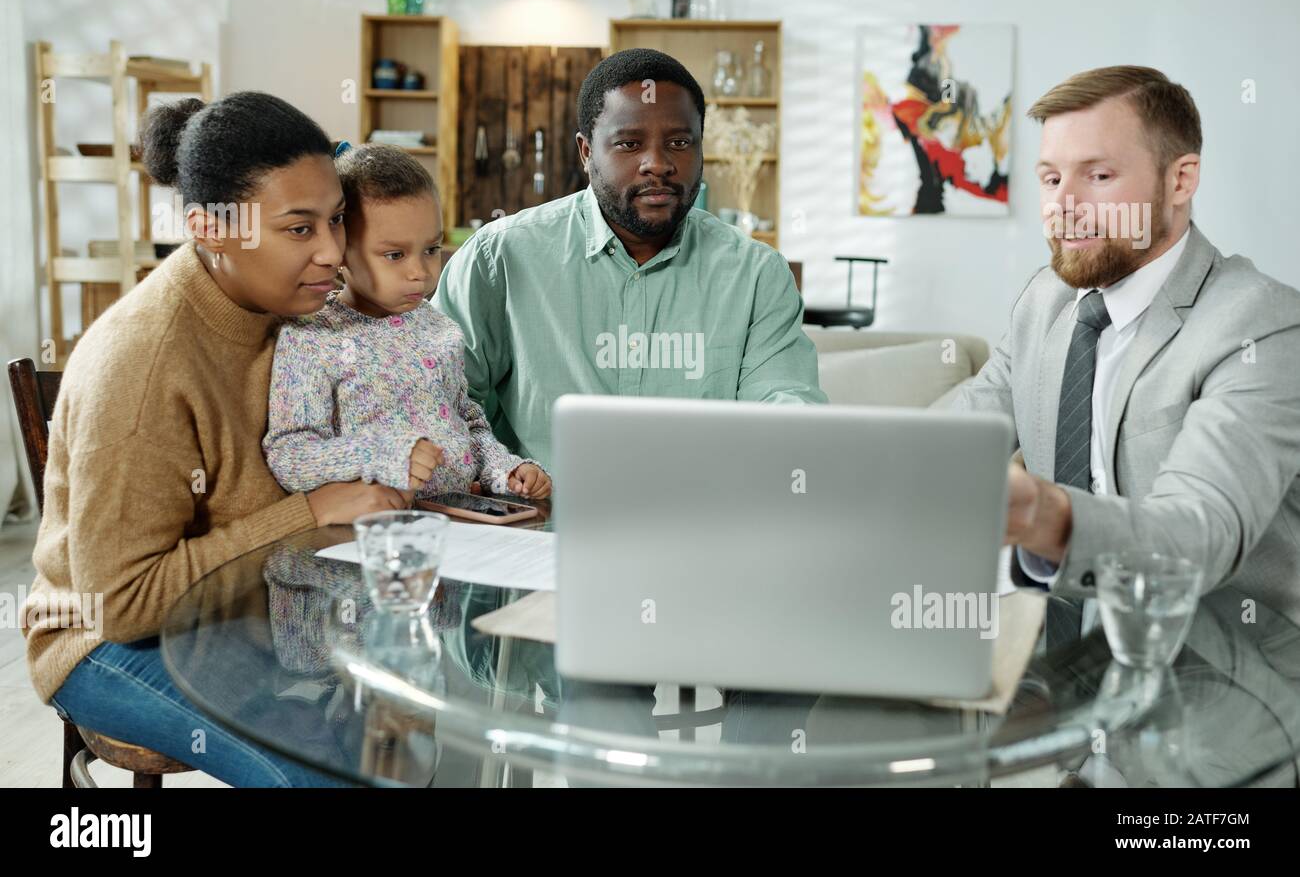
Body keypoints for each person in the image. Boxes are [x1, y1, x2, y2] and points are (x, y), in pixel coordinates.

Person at [23, 92, 405, 786]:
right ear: (212, 228)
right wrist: (310, 511)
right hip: (103, 642)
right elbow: (122, 603)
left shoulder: (295, 312)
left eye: (336, 219)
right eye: (299, 229)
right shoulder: (141, 364)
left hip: (247, 607)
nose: (331, 250)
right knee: (330, 770)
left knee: (411, 730)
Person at [950, 66, 1300, 644]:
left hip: (1224, 669)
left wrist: (1045, 516)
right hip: (1058, 655)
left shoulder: (1260, 325)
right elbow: (959, 427)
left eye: (1100, 175)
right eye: (1051, 178)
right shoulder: (1046, 299)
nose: (1064, 205)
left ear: (1180, 180)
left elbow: (1197, 536)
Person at [434, 47, 826, 470]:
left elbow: (785, 408)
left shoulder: (756, 275)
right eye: (629, 143)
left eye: (679, 142)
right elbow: (436, 400)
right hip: (540, 529)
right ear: (586, 152)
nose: (657, 164)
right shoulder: (499, 258)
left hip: (702, 527)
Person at [263, 143, 551, 501]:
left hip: (457, 528)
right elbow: (290, 457)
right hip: (365, 538)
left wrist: (506, 469)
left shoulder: (439, 328)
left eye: (431, 249)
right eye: (394, 255)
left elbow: (469, 423)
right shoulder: (312, 339)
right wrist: (380, 454)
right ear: (342, 252)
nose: (419, 273)